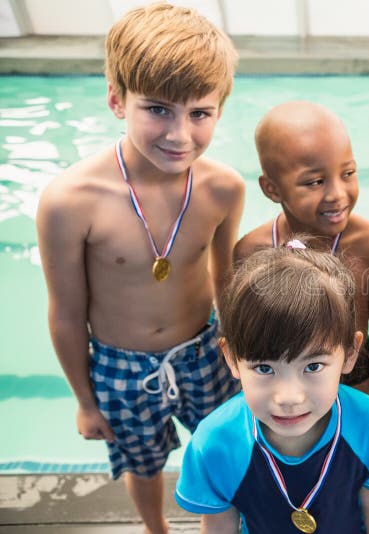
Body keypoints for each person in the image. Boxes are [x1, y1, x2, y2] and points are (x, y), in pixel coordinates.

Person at [35, 4, 243, 532]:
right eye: (158, 110)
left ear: (220, 109)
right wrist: (85, 400)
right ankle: (156, 529)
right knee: (142, 463)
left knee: (224, 448)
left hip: (203, 351)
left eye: (200, 113)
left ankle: (215, 525)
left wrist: (240, 356)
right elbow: (65, 313)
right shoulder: (70, 201)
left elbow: (225, 282)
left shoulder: (223, 188)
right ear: (116, 100)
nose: (180, 135)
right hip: (119, 366)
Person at [175, 243, 369, 533]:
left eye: (313, 367)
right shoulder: (216, 442)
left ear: (350, 353)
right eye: (265, 368)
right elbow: (218, 524)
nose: (289, 397)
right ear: (231, 358)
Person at [234, 101, 369, 398]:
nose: (337, 194)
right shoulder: (252, 251)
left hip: (353, 378)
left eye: (348, 173)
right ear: (272, 189)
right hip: (284, 386)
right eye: (315, 182)